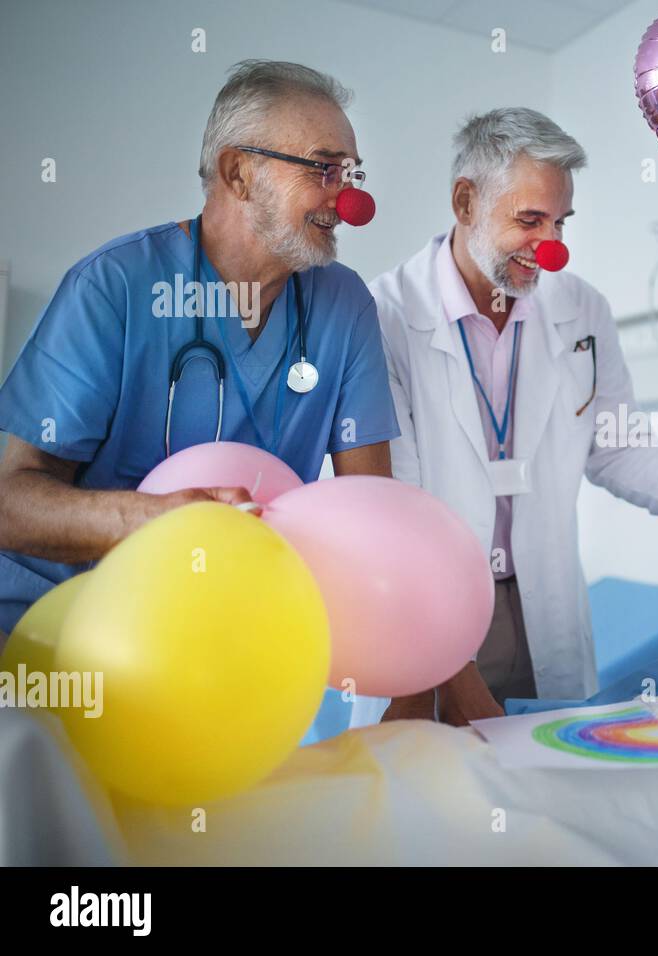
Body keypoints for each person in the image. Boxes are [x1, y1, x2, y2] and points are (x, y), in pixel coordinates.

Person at [365, 108, 658, 726]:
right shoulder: (386, 314)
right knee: (431, 795)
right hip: (431, 604)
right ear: (465, 202)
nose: (551, 246)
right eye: (529, 220)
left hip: (543, 603)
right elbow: (395, 504)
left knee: (546, 779)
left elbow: (613, 443)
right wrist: (452, 666)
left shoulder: (580, 309)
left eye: (560, 222)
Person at [0, 60, 398, 633]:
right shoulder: (115, 287)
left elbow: (369, 508)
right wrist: (155, 521)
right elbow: (11, 504)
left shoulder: (345, 304)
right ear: (238, 173)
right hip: (65, 633)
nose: (349, 202)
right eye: (323, 169)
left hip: (219, 637)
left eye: (351, 174)